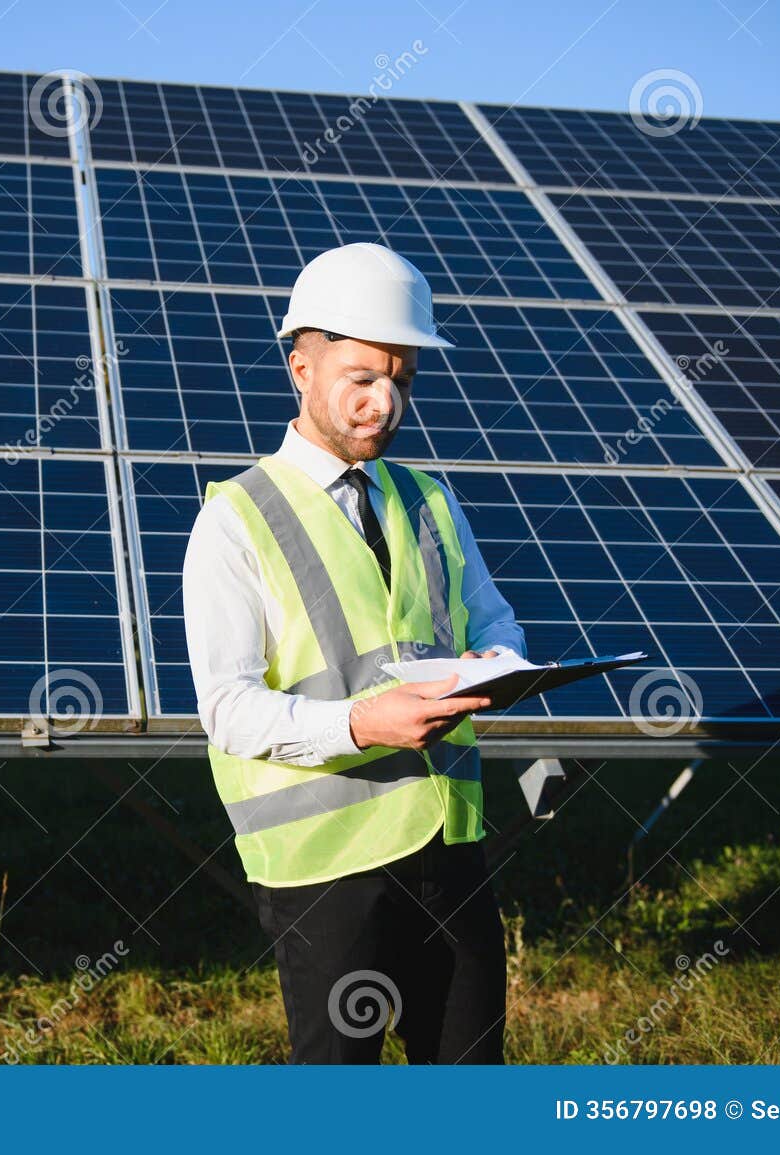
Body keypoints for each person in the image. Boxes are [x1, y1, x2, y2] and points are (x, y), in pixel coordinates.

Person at [181, 242, 527, 1064]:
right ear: (301, 368)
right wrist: (363, 724)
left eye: (403, 380)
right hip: (326, 873)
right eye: (362, 377)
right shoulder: (235, 520)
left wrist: (496, 667)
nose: (385, 403)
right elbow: (227, 709)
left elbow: (496, 624)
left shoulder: (430, 500)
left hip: (449, 842)